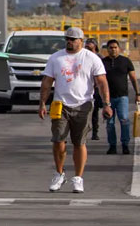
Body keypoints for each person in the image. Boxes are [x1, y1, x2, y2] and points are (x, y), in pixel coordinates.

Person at [39, 27, 112, 194]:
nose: (69, 42)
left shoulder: (91, 58)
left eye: (73, 39)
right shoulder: (56, 58)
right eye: (67, 39)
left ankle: (78, 178)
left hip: (83, 105)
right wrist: (42, 103)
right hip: (60, 104)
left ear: (81, 41)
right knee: (58, 140)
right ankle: (59, 174)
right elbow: (47, 82)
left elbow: (102, 82)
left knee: (79, 142)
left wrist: (106, 104)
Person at [101, 39, 138, 155]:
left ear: (119, 48)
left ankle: (125, 145)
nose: (113, 49)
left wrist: (138, 93)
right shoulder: (103, 62)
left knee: (124, 120)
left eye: (115, 47)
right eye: (111, 47)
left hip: (122, 97)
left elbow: (133, 78)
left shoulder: (125, 61)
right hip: (108, 99)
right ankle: (112, 145)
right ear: (107, 49)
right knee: (110, 122)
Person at [83, 38, 102, 140]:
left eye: (90, 43)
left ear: (95, 45)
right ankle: (83, 132)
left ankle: (95, 132)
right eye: (87, 43)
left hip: (97, 89)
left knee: (95, 112)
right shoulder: (83, 57)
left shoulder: (99, 58)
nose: (87, 45)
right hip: (85, 88)